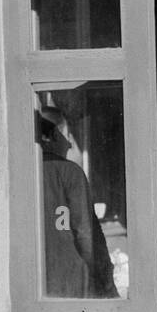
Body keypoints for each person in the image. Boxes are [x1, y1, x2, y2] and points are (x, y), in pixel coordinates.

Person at [37, 110, 117, 299]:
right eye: (68, 135)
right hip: (73, 286)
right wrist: (104, 279)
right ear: (54, 135)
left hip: (38, 287)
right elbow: (86, 235)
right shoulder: (70, 173)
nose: (70, 143)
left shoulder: (25, 174)